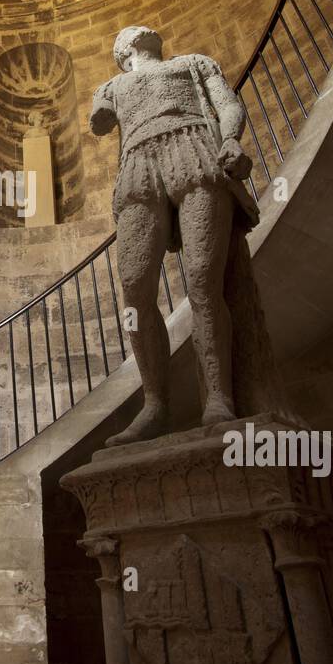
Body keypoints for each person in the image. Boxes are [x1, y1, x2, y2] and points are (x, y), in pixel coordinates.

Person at [90, 25, 259, 443]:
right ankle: (154, 404)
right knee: (134, 288)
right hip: (137, 167)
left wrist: (232, 142)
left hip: (195, 149)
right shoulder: (110, 86)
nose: (143, 31)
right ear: (124, 51)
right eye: (132, 33)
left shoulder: (193, 63)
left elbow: (227, 105)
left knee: (203, 279)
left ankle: (218, 395)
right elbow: (98, 123)